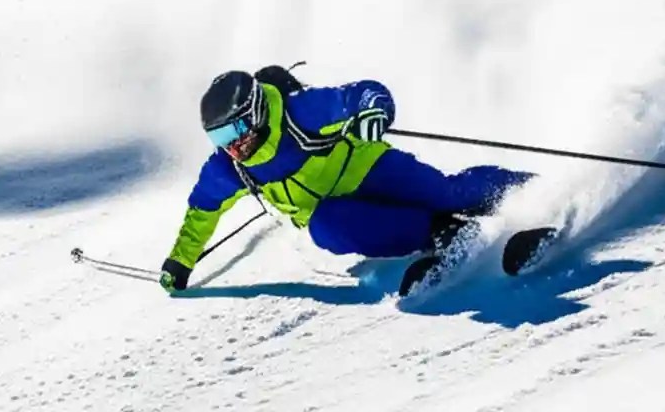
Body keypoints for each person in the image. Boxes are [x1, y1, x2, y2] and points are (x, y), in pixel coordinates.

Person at [159, 65, 533, 293]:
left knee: (447, 194)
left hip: (372, 169)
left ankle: (531, 188)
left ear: (254, 112)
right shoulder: (229, 166)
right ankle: (444, 232)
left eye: (234, 131)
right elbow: (202, 210)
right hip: (341, 213)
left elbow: (362, 93)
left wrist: (374, 111)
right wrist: (180, 261)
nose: (231, 145)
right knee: (325, 228)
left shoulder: (299, 112)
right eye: (219, 138)